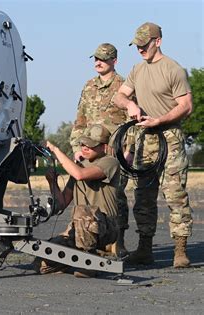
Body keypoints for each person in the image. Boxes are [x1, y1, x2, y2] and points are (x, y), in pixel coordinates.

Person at [113, 22, 193, 268]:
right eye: (136, 46)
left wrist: (160, 119)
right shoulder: (137, 70)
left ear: (157, 41)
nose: (139, 49)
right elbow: (119, 95)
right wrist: (130, 105)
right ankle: (145, 249)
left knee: (175, 194)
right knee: (143, 196)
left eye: (144, 44)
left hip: (169, 138)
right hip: (145, 139)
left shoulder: (173, 69)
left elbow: (186, 106)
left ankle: (180, 250)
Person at [69, 43, 131, 257]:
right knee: (87, 194)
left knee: (116, 198)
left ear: (114, 61)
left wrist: (128, 151)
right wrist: (77, 147)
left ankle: (117, 242)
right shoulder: (89, 86)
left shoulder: (123, 86)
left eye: (103, 59)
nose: (98, 62)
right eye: (96, 58)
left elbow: (132, 123)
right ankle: (88, 240)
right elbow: (80, 120)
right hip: (89, 150)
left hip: (113, 153)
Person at [35, 124, 120, 278]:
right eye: (83, 144)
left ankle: (88, 259)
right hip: (80, 231)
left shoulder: (110, 162)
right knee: (42, 263)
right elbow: (61, 203)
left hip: (106, 227)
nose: (85, 147)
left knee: (83, 211)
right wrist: (52, 182)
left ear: (104, 147)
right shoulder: (79, 166)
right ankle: (83, 259)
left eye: (91, 145)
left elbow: (80, 175)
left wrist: (56, 150)